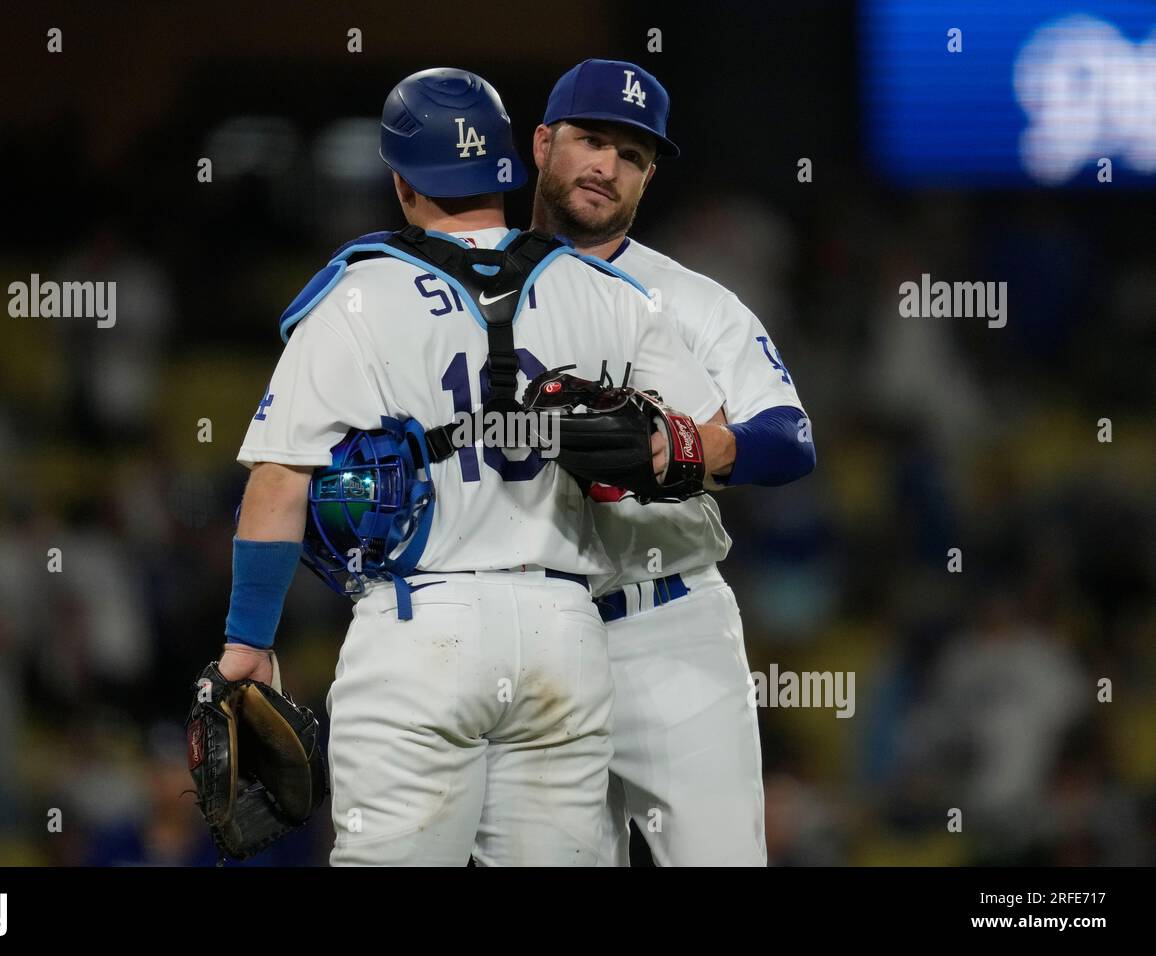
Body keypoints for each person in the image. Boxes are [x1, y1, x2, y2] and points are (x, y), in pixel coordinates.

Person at [212, 67, 727, 865]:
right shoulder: (605, 291)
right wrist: (657, 448)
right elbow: (710, 443)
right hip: (565, 633)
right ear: (512, 166)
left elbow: (279, 482)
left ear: (400, 178)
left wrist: (246, 644)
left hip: (423, 632)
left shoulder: (358, 294)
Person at [531, 59, 817, 866]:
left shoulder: (693, 299)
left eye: (632, 156)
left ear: (648, 178)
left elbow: (791, 439)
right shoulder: (478, 292)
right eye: (591, 140)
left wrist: (687, 448)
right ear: (543, 141)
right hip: (534, 635)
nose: (606, 167)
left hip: (670, 623)